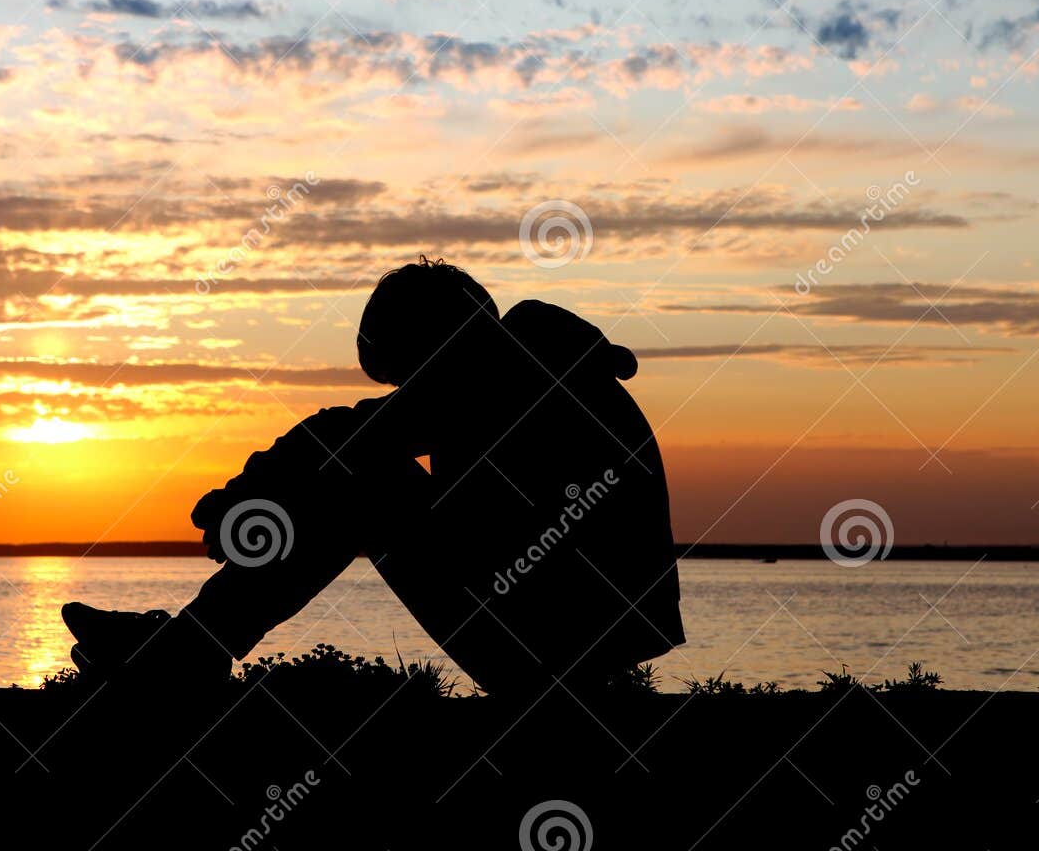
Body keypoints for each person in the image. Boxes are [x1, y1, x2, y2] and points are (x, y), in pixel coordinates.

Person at [63, 258, 682, 695]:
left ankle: (185, 655)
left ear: (433, 341)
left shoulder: (504, 370)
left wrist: (244, 498)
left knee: (362, 487)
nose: (409, 393)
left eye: (407, 374)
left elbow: (345, 434)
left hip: (553, 649)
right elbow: (353, 433)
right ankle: (186, 651)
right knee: (358, 475)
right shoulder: (532, 358)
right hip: (561, 636)